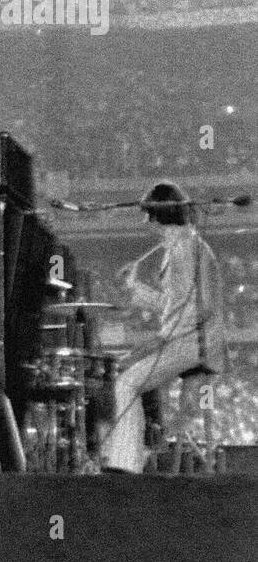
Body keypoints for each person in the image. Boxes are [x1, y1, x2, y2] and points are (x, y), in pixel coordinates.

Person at [100, 181, 227, 473]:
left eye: (149, 217)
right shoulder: (183, 247)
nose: (147, 224)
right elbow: (174, 305)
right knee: (128, 371)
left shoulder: (185, 251)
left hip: (196, 344)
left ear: (161, 216)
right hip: (190, 340)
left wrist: (159, 341)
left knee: (127, 382)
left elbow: (201, 307)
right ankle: (134, 453)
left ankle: (125, 463)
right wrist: (136, 290)